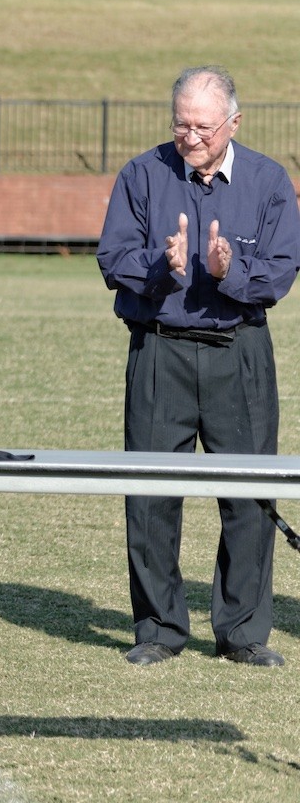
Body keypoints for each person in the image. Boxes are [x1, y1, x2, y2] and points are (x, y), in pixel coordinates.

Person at [98, 65, 300, 668]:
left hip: (240, 354)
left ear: (233, 123)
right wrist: (164, 267)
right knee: (153, 495)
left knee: (248, 496)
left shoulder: (268, 182)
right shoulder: (141, 174)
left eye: (204, 128)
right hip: (160, 351)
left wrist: (225, 273)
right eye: (181, 124)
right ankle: (158, 630)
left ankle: (241, 631)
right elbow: (112, 258)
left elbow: (283, 270)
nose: (191, 137)